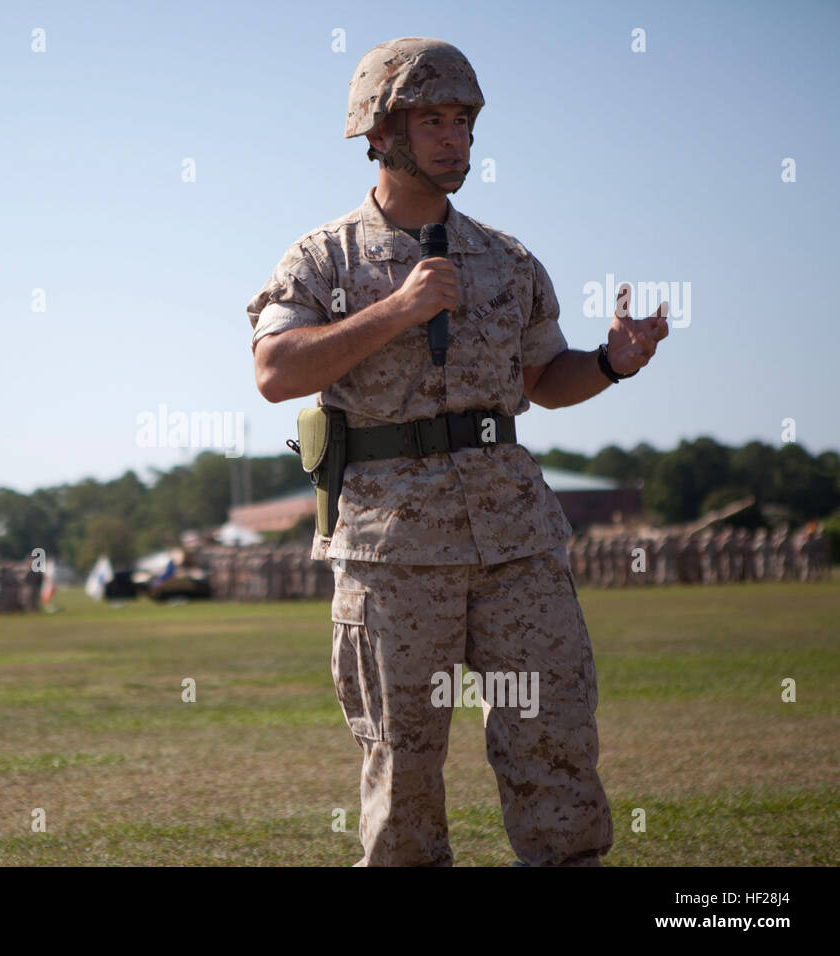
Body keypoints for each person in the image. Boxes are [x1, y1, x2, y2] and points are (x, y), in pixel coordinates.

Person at [247, 37, 668, 866]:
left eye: (465, 122)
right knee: (404, 769)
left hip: (516, 541)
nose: (454, 139)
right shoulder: (323, 258)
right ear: (377, 131)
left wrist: (613, 362)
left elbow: (545, 379)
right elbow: (273, 372)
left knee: (555, 744)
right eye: (433, 120)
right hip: (394, 550)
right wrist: (395, 311)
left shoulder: (507, 260)